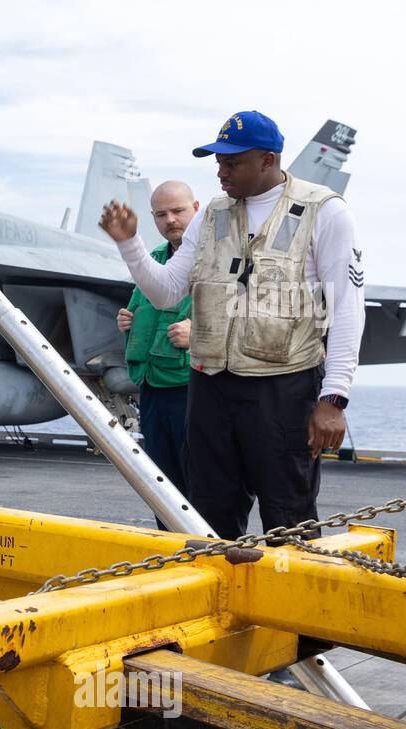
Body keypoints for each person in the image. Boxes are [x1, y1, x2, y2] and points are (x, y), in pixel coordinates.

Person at [100, 111, 364, 540]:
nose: (221, 172)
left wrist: (333, 398)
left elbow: (348, 309)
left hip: (283, 387)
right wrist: (129, 243)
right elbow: (166, 291)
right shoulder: (213, 215)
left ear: (267, 159)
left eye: (232, 163)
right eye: (217, 162)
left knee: (288, 516)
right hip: (210, 388)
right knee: (208, 516)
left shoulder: (325, 213)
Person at [115, 181, 198, 529]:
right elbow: (144, 300)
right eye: (161, 215)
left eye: (178, 211)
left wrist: (199, 333)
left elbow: (247, 309)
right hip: (153, 390)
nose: (170, 220)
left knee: (199, 480)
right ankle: (170, 546)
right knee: (161, 481)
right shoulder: (157, 260)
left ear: (196, 208)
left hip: (192, 388)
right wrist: (130, 320)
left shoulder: (215, 258)